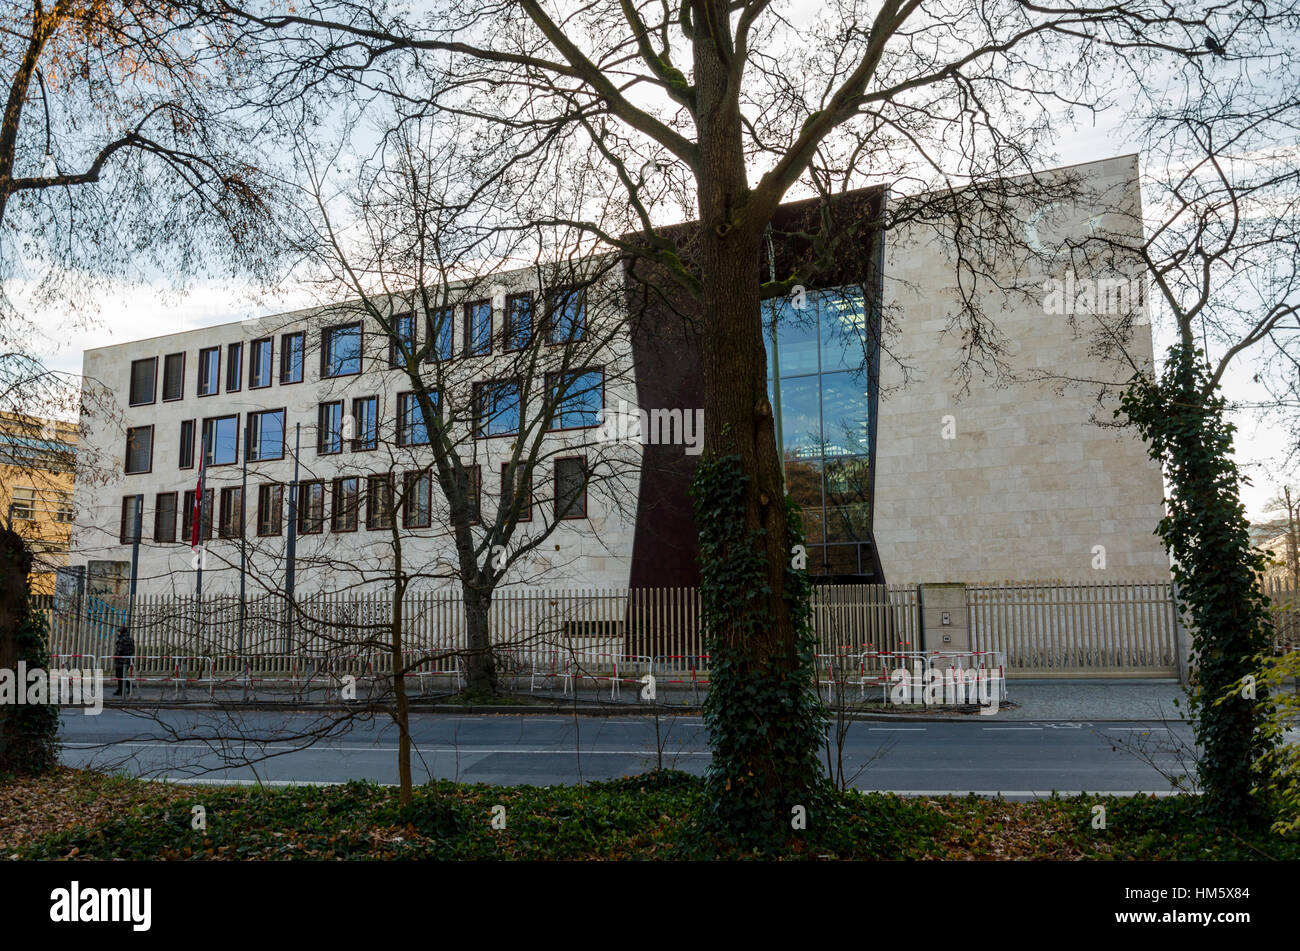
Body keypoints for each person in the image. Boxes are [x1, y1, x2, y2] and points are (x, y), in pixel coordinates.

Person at [113, 625, 134, 697]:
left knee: (119, 675)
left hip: (120, 660)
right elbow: (132, 650)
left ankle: (122, 689)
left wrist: (115, 656)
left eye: (118, 631)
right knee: (122, 675)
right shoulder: (131, 639)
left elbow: (120, 650)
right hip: (127, 660)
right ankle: (122, 689)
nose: (117, 633)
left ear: (121, 632)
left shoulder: (121, 639)